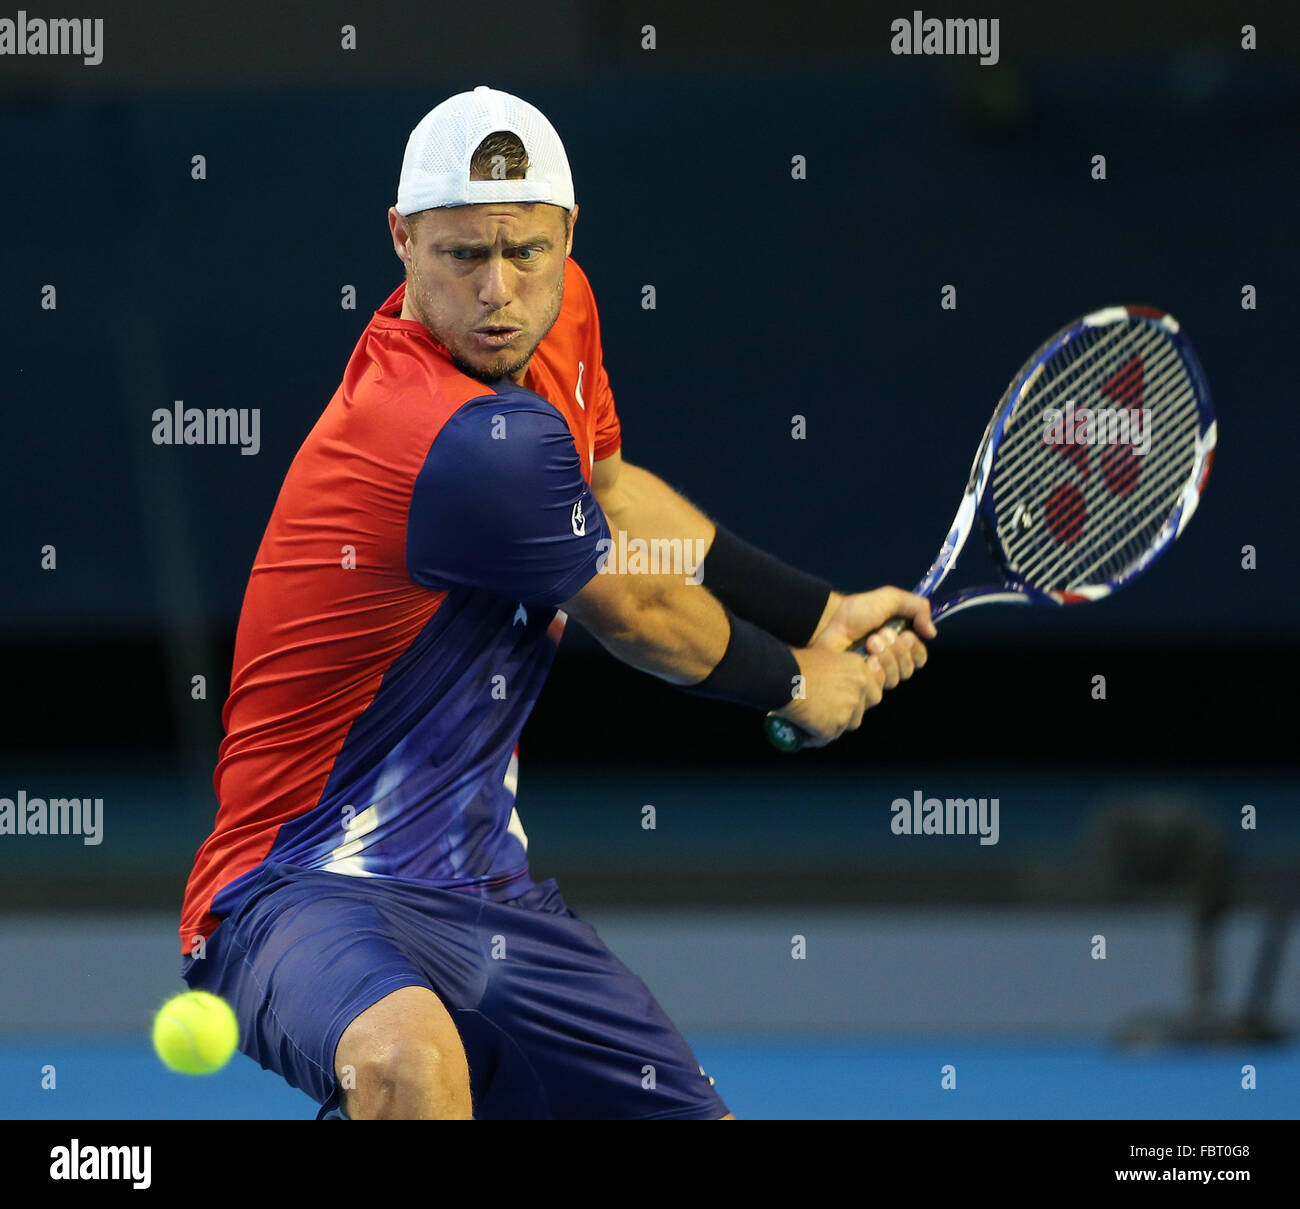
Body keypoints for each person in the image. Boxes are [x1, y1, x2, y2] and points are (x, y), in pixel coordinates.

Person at [177, 85, 935, 1121]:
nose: (499, 292)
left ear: (568, 235)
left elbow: (615, 489)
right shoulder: (445, 432)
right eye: (461, 256)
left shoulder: (562, 312)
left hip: (487, 891)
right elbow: (637, 615)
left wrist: (815, 611)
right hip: (295, 887)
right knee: (405, 1065)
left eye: (526, 251)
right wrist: (800, 685)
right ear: (400, 242)